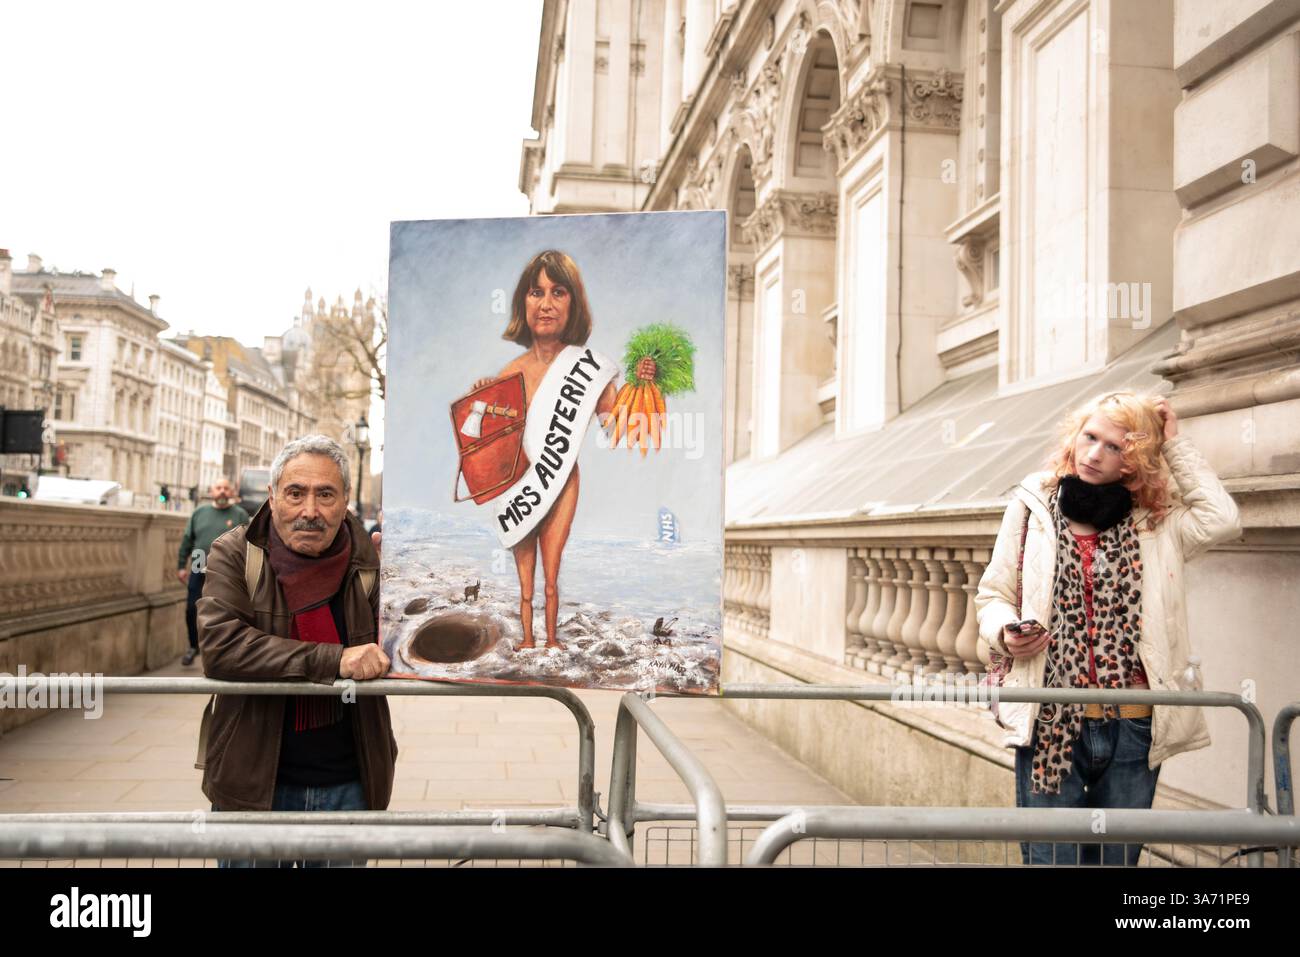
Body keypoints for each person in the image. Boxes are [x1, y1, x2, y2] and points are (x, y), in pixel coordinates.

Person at [975, 392, 1240, 866]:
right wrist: (1006, 631)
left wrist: (1174, 445)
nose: (1094, 453)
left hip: (1134, 725)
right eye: (1090, 437)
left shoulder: (1157, 523)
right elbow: (992, 595)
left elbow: (1222, 520)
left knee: (1116, 862)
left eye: (1115, 447)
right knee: (1051, 860)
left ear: (1135, 460)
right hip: (1051, 717)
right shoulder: (1034, 508)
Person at [196, 435, 395, 867]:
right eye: (295, 493)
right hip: (254, 787)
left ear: (346, 501)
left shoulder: (372, 562)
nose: (310, 510)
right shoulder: (234, 553)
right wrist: (333, 659)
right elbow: (221, 647)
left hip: (350, 784)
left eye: (325, 494)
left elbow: (408, 647)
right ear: (272, 497)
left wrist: (407, 581)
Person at [469, 250, 652, 650]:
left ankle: (551, 641)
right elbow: (489, 438)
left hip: (560, 479)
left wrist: (639, 389)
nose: (546, 304)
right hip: (518, 485)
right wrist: (482, 400)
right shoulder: (510, 373)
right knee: (524, 577)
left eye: (558, 292)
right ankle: (527, 641)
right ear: (524, 302)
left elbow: (617, 429)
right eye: (536, 292)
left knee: (551, 573)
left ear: (574, 303)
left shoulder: (589, 369)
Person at [176, 477, 250, 666]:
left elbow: (249, 543)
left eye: (226, 488)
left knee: (227, 611)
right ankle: (193, 646)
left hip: (228, 569)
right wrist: (181, 566)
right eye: (219, 488)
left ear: (232, 491)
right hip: (199, 562)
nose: (223, 491)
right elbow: (187, 540)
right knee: (192, 608)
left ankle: (224, 649)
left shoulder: (240, 514)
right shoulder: (199, 512)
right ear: (212, 490)